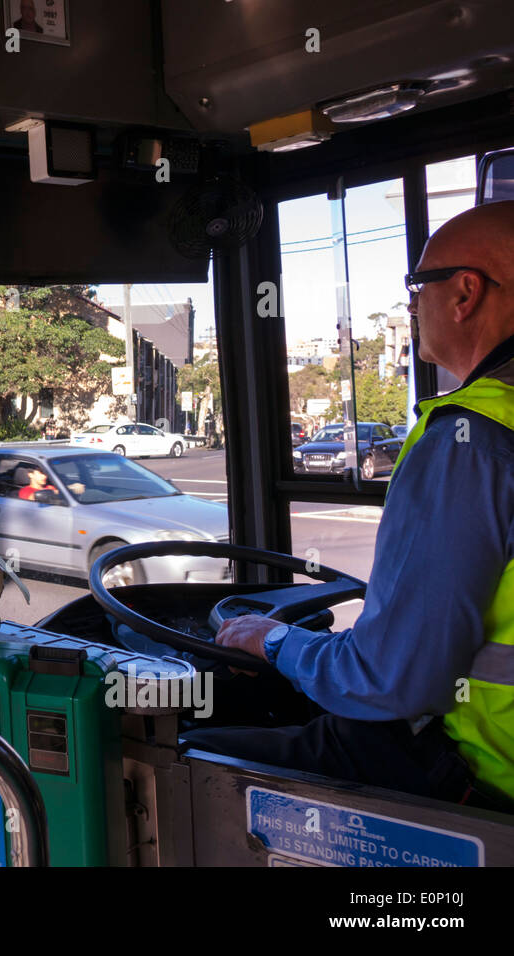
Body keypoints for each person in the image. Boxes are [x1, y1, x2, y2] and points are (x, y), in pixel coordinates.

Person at [185, 201, 514, 807]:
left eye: (419, 285)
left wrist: (272, 641)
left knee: (187, 750)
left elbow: (392, 680)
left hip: (480, 779)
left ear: (466, 293)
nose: (412, 305)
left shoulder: (471, 439)